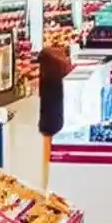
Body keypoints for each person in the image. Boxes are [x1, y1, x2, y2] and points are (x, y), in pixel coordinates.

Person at [38, 46, 74, 188]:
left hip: (48, 125)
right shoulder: (60, 78)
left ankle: (46, 185)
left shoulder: (46, 79)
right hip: (59, 122)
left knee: (47, 160)